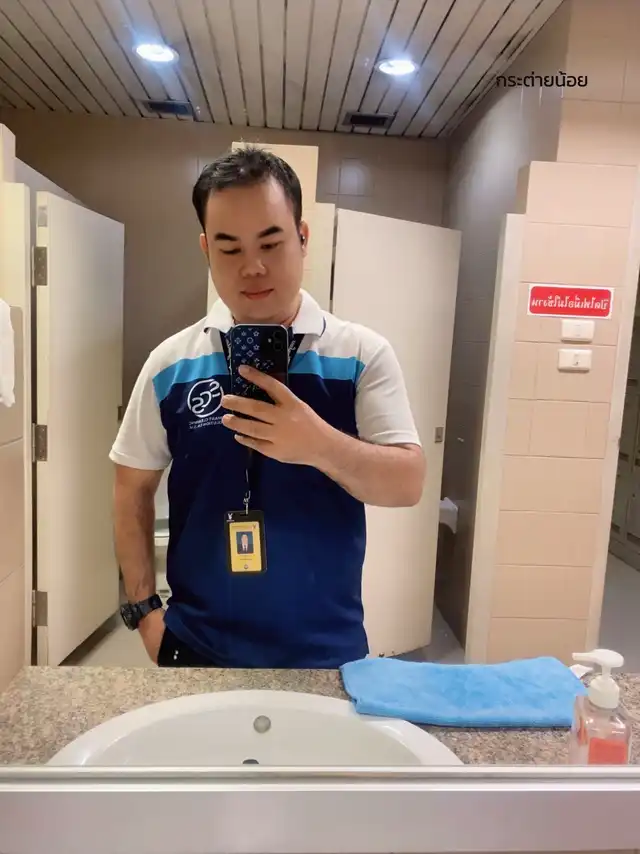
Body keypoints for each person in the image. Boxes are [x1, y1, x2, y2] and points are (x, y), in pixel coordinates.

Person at [111, 145, 425, 669]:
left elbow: (407, 483)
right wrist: (144, 611)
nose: (253, 268)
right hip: (196, 646)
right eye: (230, 248)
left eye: (271, 243)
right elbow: (131, 487)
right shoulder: (171, 364)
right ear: (206, 249)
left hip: (327, 653)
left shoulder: (360, 355)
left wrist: (320, 445)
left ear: (302, 238)